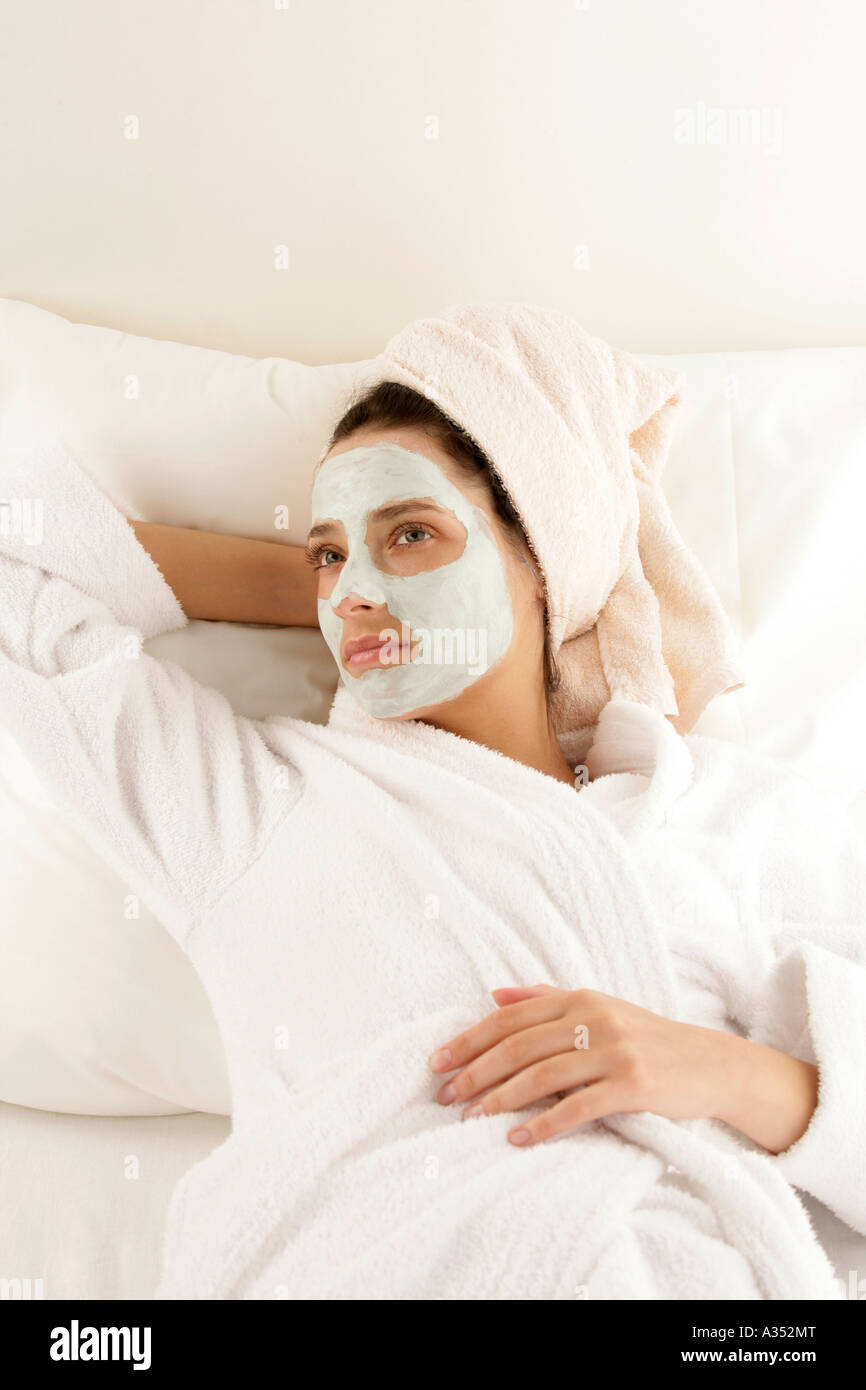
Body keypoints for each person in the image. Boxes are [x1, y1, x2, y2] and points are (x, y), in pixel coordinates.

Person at [1, 372, 865, 1301]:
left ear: (541, 559)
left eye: (411, 534)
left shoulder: (727, 812)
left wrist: (724, 1072)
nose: (356, 589)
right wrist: (354, 605)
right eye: (327, 556)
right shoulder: (249, 805)